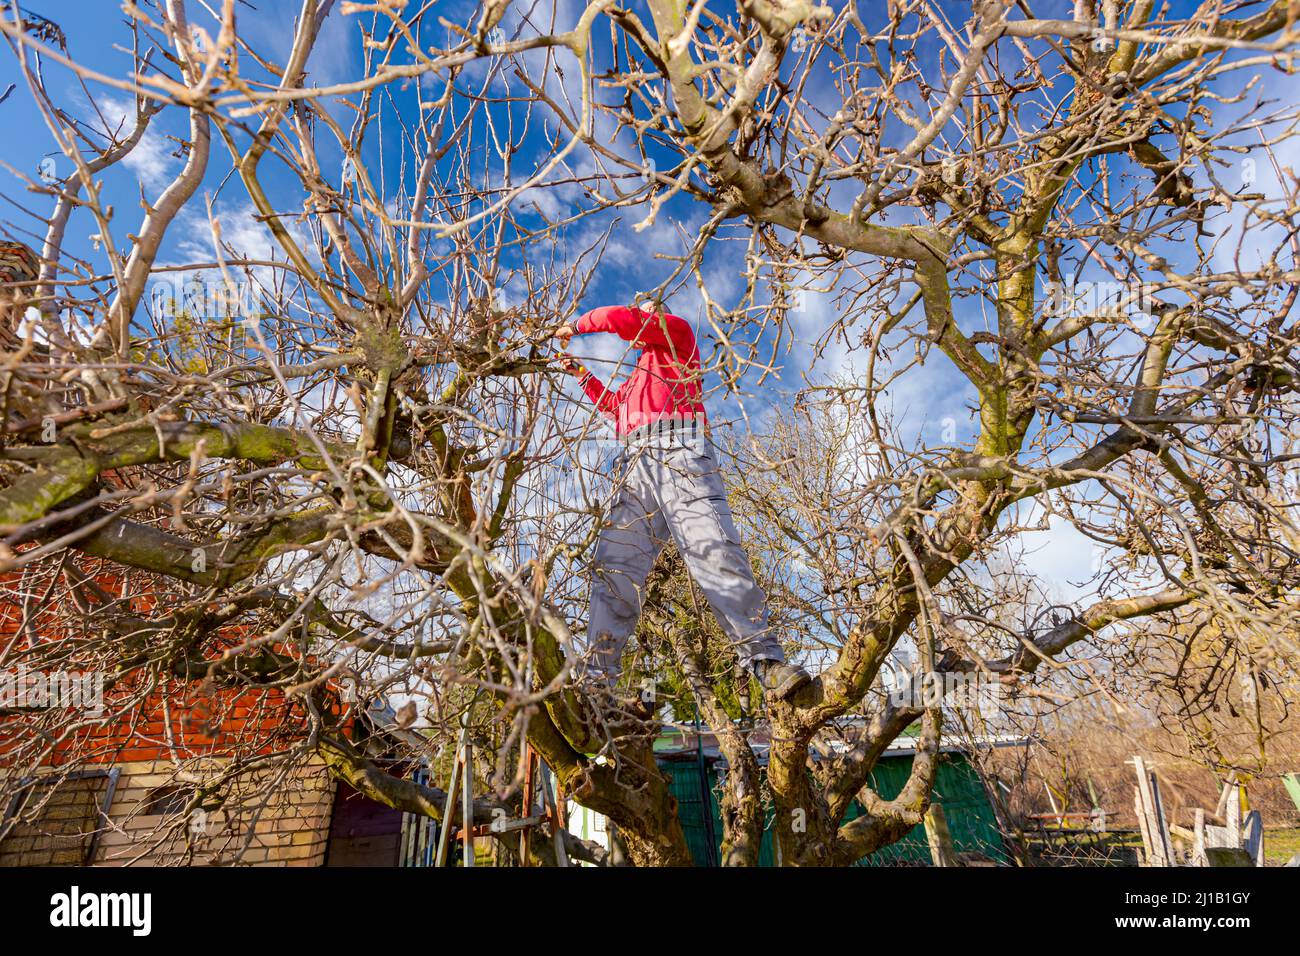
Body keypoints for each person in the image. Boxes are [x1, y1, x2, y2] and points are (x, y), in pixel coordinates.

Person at [554, 302, 813, 702]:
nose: (642, 314)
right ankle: (596, 684)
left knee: (712, 549)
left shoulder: (677, 338)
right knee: (613, 568)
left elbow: (624, 320)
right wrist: (582, 375)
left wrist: (575, 325)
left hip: (680, 447)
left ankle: (765, 661)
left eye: (646, 310)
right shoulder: (637, 377)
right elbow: (614, 406)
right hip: (634, 461)